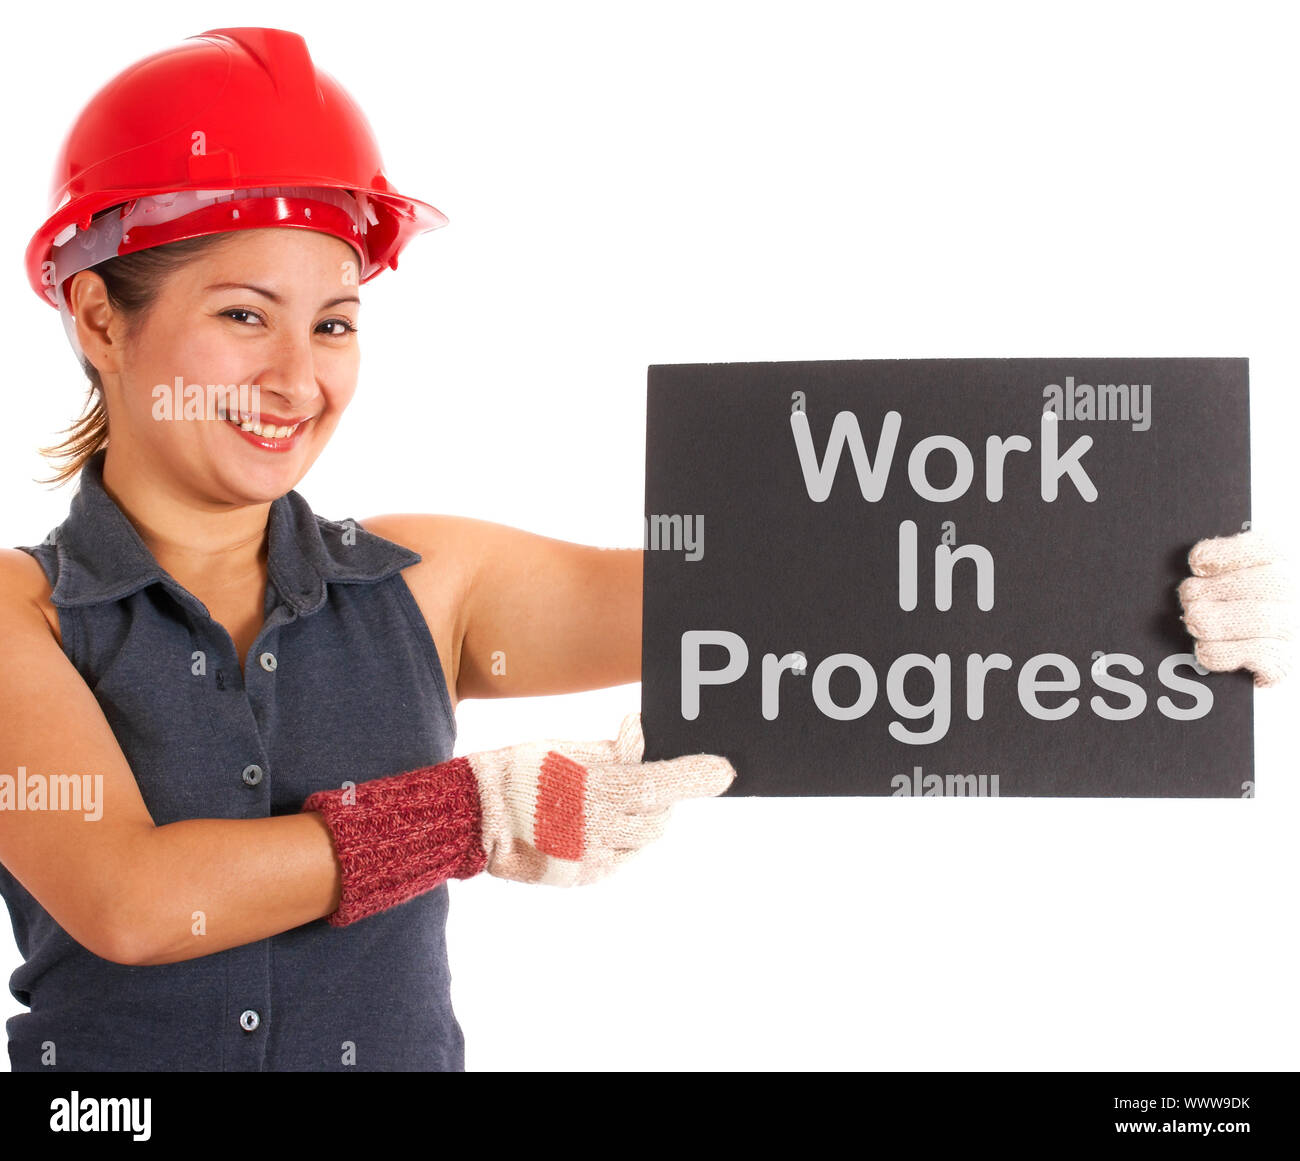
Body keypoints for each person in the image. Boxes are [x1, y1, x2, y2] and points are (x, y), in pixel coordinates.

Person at [0, 26, 1290, 1073]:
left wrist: (1145, 581)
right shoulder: (23, 617)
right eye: (244, 314)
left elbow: (807, 596)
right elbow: (130, 900)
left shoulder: (424, 586)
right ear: (99, 317)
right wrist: (476, 814)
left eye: (335, 325)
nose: (299, 377)